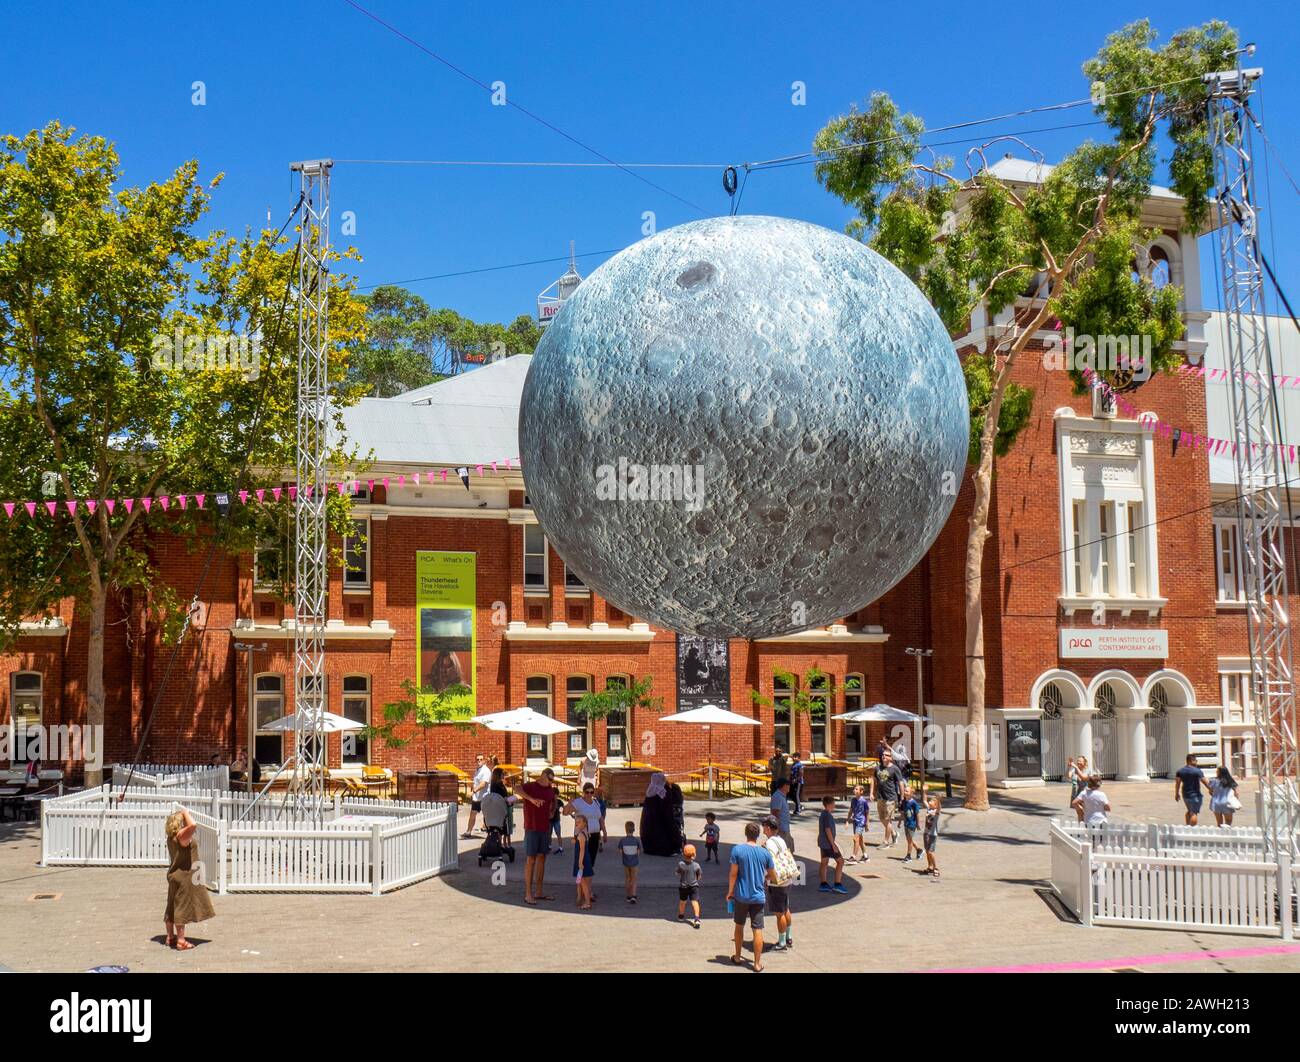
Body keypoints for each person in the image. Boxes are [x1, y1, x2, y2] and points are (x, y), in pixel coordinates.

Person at [726, 821, 777, 972]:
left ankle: (737, 956)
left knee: (739, 926)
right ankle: (756, 963)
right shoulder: (764, 853)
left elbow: (733, 874)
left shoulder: (737, 850)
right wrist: (764, 878)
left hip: (741, 895)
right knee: (758, 929)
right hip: (758, 896)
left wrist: (730, 892)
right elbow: (773, 876)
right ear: (758, 835)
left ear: (746, 833)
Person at [163, 808, 215, 950]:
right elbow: (193, 825)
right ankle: (181, 941)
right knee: (182, 908)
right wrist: (185, 812)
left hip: (174, 875)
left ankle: (170, 937)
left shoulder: (171, 836)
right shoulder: (181, 836)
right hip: (184, 876)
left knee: (171, 906)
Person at [517, 767, 557, 905]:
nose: (550, 782)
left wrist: (552, 811)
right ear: (543, 776)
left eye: (552, 780)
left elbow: (554, 800)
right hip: (532, 828)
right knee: (531, 859)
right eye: (549, 779)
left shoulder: (550, 790)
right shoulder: (531, 786)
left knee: (542, 858)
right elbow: (516, 788)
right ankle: (528, 893)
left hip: (545, 828)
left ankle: (539, 891)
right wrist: (531, 799)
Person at [761, 815, 798, 951]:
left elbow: (770, 863)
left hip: (777, 881)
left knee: (779, 913)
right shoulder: (780, 840)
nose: (763, 829)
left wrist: (767, 878)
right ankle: (788, 937)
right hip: (786, 878)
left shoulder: (770, 843)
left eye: (764, 826)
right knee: (785, 908)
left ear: (769, 828)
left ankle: (782, 943)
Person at [565, 782, 606, 896]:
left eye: (591, 792)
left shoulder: (596, 802)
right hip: (582, 837)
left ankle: (588, 890)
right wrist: (569, 803)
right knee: (581, 864)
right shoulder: (578, 802)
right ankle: (581, 892)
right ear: (583, 792)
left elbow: (600, 818)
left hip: (595, 835)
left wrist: (604, 832)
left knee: (590, 865)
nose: (589, 794)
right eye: (587, 792)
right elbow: (565, 812)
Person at [640, 772, 683, 857]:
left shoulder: (650, 792)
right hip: (661, 833)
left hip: (648, 835)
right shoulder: (664, 793)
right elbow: (667, 815)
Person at [874, 749, 905, 846]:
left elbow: (900, 782)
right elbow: (873, 779)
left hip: (891, 798)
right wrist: (871, 793)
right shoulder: (877, 768)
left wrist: (902, 796)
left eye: (887, 755)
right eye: (883, 755)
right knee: (882, 818)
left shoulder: (895, 769)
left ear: (890, 758)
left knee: (887, 820)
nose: (884, 756)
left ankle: (886, 841)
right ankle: (894, 834)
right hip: (880, 797)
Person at [816, 795, 846, 893]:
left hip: (822, 843)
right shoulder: (828, 816)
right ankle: (837, 883)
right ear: (829, 804)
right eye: (833, 803)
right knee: (840, 861)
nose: (834, 805)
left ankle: (823, 883)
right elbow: (827, 829)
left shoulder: (823, 814)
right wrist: (833, 844)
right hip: (828, 844)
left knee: (824, 862)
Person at [463, 753, 491, 838]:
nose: (479, 761)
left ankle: (491, 834)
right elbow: (477, 782)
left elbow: (483, 784)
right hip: (477, 797)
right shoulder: (477, 770)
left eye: (481, 759)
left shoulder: (486, 771)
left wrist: (473, 791)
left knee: (487, 816)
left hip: (484, 797)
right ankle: (468, 832)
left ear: (484, 760)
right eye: (477, 759)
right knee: (472, 814)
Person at [1174, 754, 1207, 826]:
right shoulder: (1197, 771)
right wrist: (1211, 789)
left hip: (1185, 795)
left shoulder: (1180, 771)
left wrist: (1176, 793)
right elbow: (1204, 781)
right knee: (1194, 813)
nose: (1197, 762)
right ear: (1191, 761)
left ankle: (1188, 826)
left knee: (1189, 811)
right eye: (1196, 760)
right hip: (1195, 795)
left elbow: (1177, 784)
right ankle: (1192, 828)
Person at [570, 807, 592, 909]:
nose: (577, 824)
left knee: (583, 883)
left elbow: (582, 850)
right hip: (584, 860)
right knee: (581, 881)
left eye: (579, 822)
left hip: (582, 861)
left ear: (584, 824)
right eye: (576, 822)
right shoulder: (583, 834)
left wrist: (580, 863)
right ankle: (583, 899)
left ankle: (587, 902)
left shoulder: (581, 836)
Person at [676, 843, 702, 927]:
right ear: (694, 854)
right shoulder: (696, 865)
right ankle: (697, 919)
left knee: (682, 901)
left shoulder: (681, 864)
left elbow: (677, 873)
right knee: (695, 902)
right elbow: (699, 876)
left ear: (683, 854)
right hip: (694, 886)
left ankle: (681, 916)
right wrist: (696, 880)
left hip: (683, 886)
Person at [846, 784, 871, 864]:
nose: (855, 790)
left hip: (861, 822)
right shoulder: (853, 800)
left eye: (857, 789)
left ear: (861, 792)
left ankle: (853, 857)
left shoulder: (863, 801)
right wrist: (847, 820)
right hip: (855, 821)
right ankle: (865, 856)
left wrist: (867, 824)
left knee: (855, 839)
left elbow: (867, 813)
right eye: (854, 789)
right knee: (860, 840)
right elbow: (851, 811)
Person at [618, 820, 641, 903]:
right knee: (634, 879)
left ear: (625, 829)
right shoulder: (636, 841)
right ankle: (634, 895)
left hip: (626, 862)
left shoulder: (622, 841)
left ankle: (628, 895)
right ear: (634, 829)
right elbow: (638, 852)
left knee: (627, 878)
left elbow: (620, 852)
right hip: (634, 863)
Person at [769, 778, 794, 854]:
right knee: (785, 852)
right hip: (781, 830)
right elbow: (775, 813)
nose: (789, 786)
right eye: (787, 784)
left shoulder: (781, 796)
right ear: (783, 786)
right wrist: (778, 828)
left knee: (789, 850)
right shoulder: (778, 797)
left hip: (784, 829)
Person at [899, 786, 923, 863]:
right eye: (904, 791)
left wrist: (918, 824)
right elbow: (902, 813)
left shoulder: (914, 803)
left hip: (912, 823)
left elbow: (917, 814)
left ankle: (908, 856)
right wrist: (900, 822)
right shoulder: (903, 801)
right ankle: (919, 850)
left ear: (911, 793)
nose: (905, 792)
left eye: (907, 791)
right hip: (906, 823)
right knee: (909, 839)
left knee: (909, 841)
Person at [923, 796, 942, 877]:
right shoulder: (929, 809)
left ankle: (936, 868)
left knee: (930, 852)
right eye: (930, 800)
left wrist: (939, 800)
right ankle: (930, 866)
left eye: (932, 801)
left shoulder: (936, 812)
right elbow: (924, 800)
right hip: (926, 833)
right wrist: (924, 791)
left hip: (932, 835)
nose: (930, 801)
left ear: (935, 805)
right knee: (927, 851)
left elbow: (939, 808)